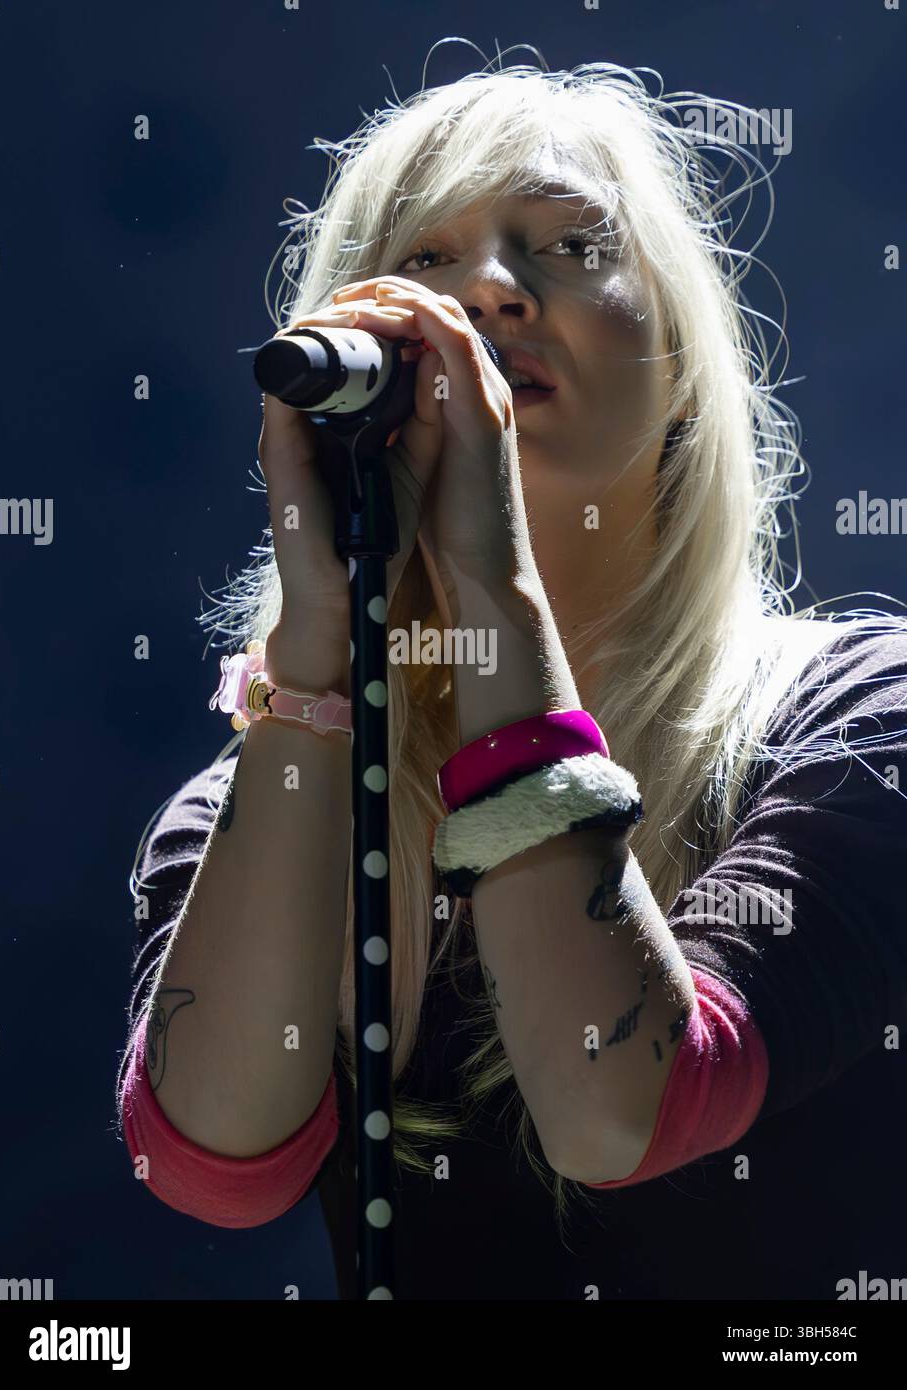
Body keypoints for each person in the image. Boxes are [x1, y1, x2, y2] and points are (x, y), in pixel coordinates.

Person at [114, 57, 907, 1301]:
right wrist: (318, 655)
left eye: (566, 243)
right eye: (423, 263)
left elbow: (618, 1111)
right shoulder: (255, 797)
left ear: (686, 364)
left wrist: (492, 592)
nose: (488, 290)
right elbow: (214, 1164)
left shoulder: (861, 717)